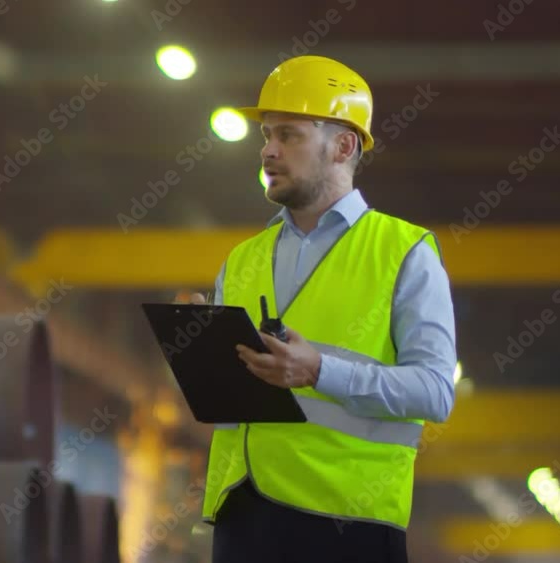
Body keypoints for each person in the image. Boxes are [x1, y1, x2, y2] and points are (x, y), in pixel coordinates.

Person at [184, 55, 458, 562]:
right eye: (265, 134)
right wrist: (197, 355)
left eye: (288, 135)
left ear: (344, 145)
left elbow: (437, 392)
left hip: (348, 524)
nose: (267, 150)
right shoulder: (242, 259)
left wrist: (320, 372)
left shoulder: (404, 252)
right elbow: (225, 411)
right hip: (243, 516)